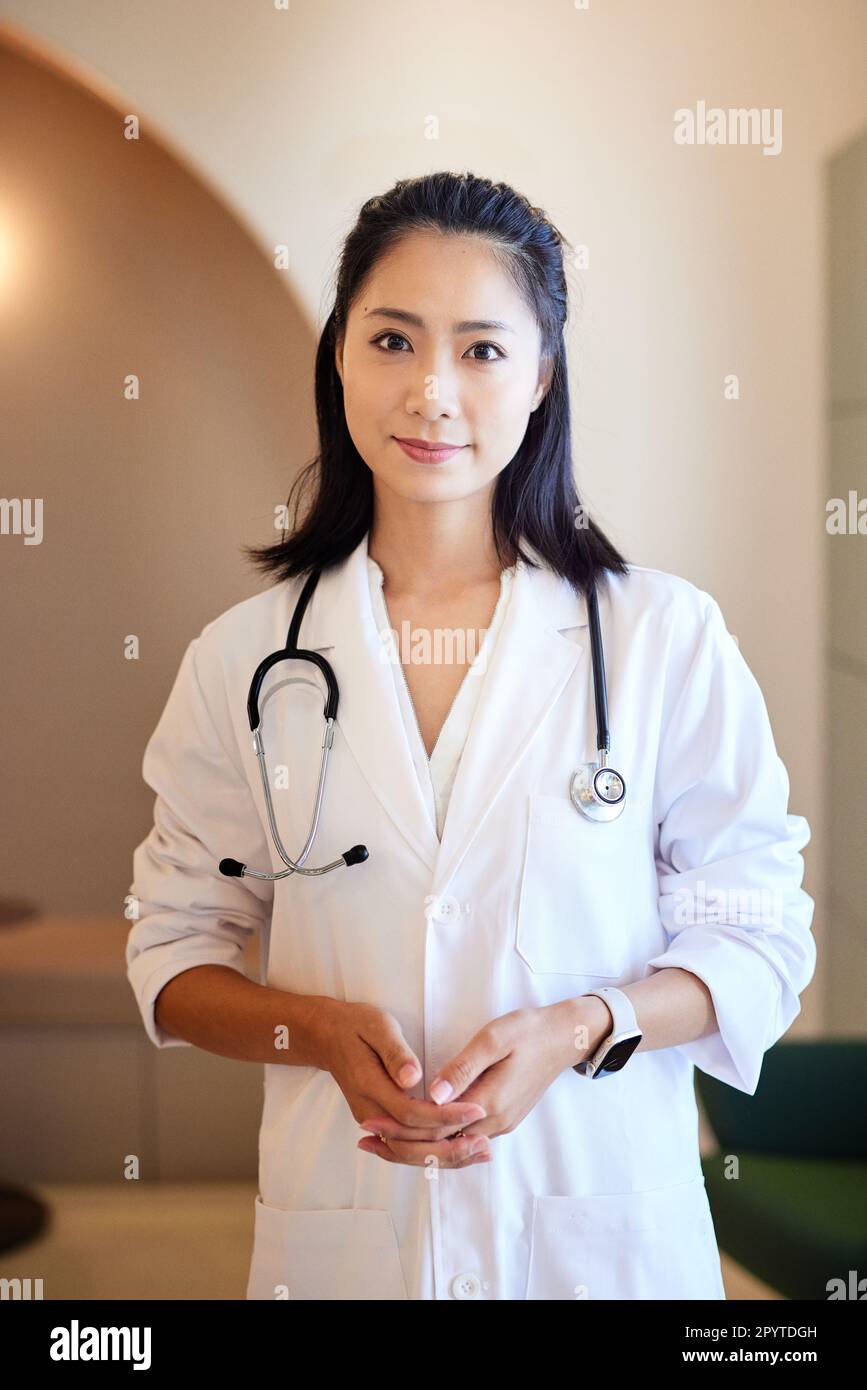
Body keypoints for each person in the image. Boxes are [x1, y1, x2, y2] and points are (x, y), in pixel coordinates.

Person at [126, 170, 816, 1301]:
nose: (432, 392)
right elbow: (171, 949)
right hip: (351, 1237)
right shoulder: (245, 658)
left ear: (542, 377)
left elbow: (759, 933)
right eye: (392, 340)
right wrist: (308, 1028)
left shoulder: (660, 637)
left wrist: (586, 1025)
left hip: (598, 1229)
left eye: (484, 350)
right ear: (340, 356)